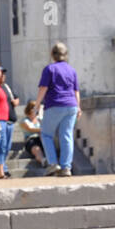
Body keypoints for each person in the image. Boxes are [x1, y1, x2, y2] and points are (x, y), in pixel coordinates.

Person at [35, 42, 80, 177]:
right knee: (66, 135)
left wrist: (37, 106)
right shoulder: (72, 70)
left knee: (46, 134)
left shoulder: (49, 69)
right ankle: (66, 167)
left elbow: (43, 88)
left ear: (52, 55)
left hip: (55, 104)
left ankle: (53, 164)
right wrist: (79, 107)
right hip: (71, 105)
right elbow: (76, 90)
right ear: (66, 55)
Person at [0, 66, 19, 176]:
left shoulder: (6, 87)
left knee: (7, 147)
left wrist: (16, 101)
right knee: (2, 146)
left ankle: (2, 166)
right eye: (1, 74)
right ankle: (2, 168)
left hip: (10, 121)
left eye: (4, 74)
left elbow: (16, 97)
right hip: (2, 121)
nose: (3, 76)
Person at [20, 99, 46, 167]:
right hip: (31, 140)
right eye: (35, 108)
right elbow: (30, 129)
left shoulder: (39, 119)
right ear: (30, 109)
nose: (36, 111)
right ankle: (42, 160)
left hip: (41, 138)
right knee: (37, 148)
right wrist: (42, 129)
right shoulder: (24, 121)